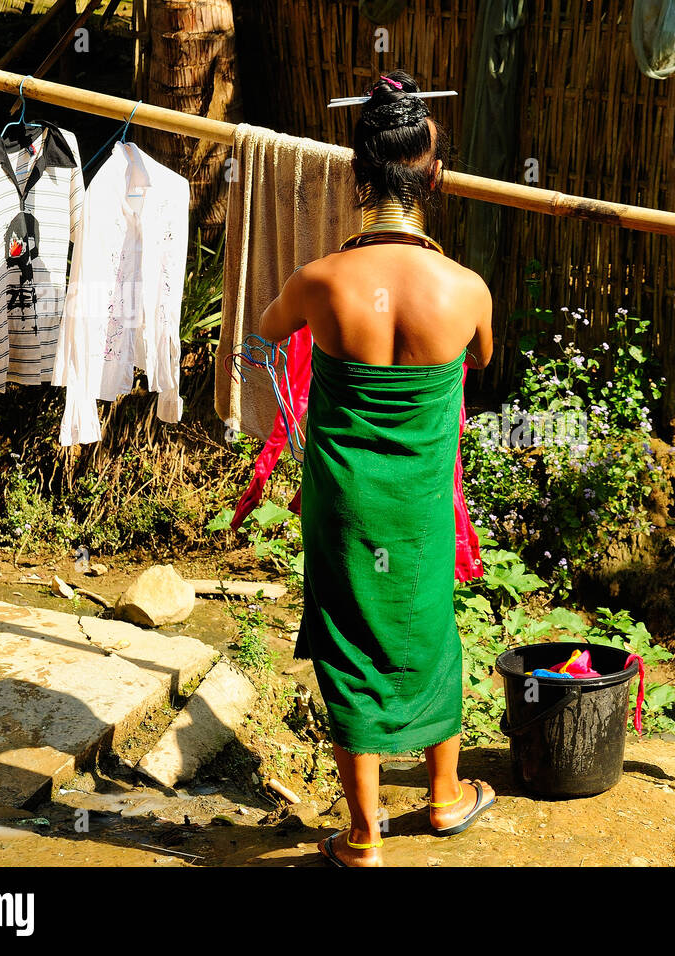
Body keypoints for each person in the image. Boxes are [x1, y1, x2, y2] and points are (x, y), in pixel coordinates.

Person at [259, 70, 495, 867]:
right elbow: (483, 357)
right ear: (433, 174)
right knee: (429, 625)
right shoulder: (466, 290)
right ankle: (443, 797)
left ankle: (363, 835)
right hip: (423, 501)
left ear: (357, 173)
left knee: (349, 636)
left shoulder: (320, 282)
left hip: (343, 500)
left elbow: (267, 327)